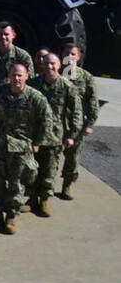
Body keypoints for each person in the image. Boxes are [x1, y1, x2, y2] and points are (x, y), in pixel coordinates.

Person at [0, 63, 49, 235]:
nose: (16, 78)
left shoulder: (36, 97)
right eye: (13, 75)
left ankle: (11, 217)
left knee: (16, 184)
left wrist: (37, 142)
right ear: (8, 75)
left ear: (27, 76)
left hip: (21, 147)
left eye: (20, 75)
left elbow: (46, 121)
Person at [28, 53, 80, 218]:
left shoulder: (67, 87)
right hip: (35, 135)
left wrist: (72, 135)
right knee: (31, 169)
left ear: (59, 66)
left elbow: (76, 113)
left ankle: (44, 200)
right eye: (47, 64)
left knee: (49, 170)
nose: (49, 67)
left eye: (53, 64)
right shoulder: (34, 84)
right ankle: (32, 199)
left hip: (55, 137)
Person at [59, 44, 98, 200]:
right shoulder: (55, 73)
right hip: (56, 122)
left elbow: (93, 102)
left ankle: (67, 184)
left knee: (73, 157)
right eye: (67, 53)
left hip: (76, 124)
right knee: (48, 157)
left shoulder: (86, 77)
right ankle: (40, 187)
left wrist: (90, 125)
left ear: (79, 57)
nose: (70, 56)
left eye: (73, 54)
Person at [0, 22, 34, 86]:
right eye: (0, 34)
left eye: (6, 34)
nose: (3, 37)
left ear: (13, 35)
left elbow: (30, 80)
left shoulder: (23, 56)